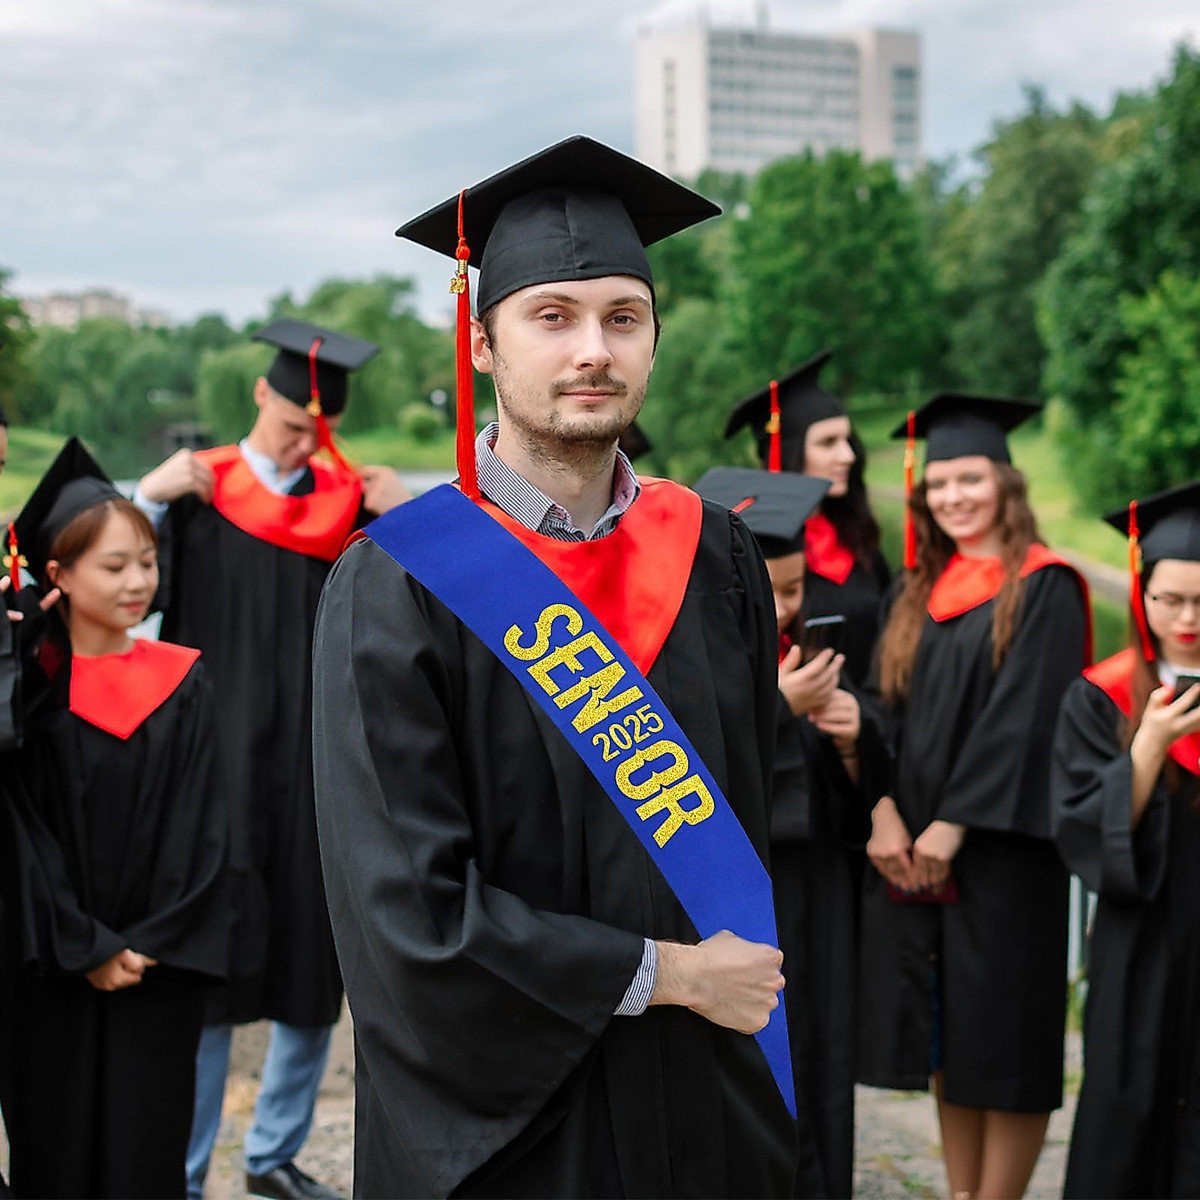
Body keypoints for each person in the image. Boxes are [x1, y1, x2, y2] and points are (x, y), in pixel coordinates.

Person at [312, 135, 799, 1198]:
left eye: (624, 318)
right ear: (481, 344)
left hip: (708, 1101)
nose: (594, 351)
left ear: (656, 340)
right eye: (553, 317)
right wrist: (666, 974)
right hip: (519, 1128)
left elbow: (756, 812)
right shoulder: (399, 583)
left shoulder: (714, 555)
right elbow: (406, 915)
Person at [133, 319, 410, 1200]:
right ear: (261, 394)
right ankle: (183, 1166)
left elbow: (417, 621)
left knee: (310, 955)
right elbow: (132, 596)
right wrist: (143, 502)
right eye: (292, 420)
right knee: (206, 961)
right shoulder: (195, 493)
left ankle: (274, 1155)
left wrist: (403, 518)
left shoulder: (352, 508)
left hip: (319, 763)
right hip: (211, 764)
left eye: (314, 430)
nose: (301, 440)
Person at [857, 395, 1091, 1200]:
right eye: (941, 484)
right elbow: (879, 715)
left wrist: (951, 826)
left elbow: (1025, 718)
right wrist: (884, 813)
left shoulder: (1046, 586)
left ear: (1006, 483)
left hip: (1003, 855)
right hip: (916, 855)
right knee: (949, 1035)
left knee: (1011, 1040)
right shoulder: (918, 591)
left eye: (971, 480)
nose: (954, 497)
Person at [0, 438, 229, 1198]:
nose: (139, 582)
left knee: (145, 1155)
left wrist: (148, 943)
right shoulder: (23, 700)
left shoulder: (182, 679)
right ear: (56, 576)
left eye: (148, 561)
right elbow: (18, 835)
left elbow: (205, 829)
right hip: (48, 971)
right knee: (52, 1154)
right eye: (114, 565)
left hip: (155, 974)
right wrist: (83, 944)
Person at [696, 466, 891, 1198]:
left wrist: (850, 741)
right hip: (739, 897)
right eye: (768, 591)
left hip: (817, 891)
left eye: (797, 590)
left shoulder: (813, 653)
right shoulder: (686, 657)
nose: (782, 609)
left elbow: (853, 795)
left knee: (821, 1060)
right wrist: (776, 707)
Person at [1051, 481, 1200, 1198]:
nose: (1186, 620)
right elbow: (1078, 826)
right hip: (1138, 941)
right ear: (1141, 591)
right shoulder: (1101, 693)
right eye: (1168, 599)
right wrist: (1148, 750)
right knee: (1126, 1102)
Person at [725, 351, 890, 686]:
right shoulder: (744, 548)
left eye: (848, 440)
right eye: (828, 443)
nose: (848, 456)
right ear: (787, 450)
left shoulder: (858, 539)